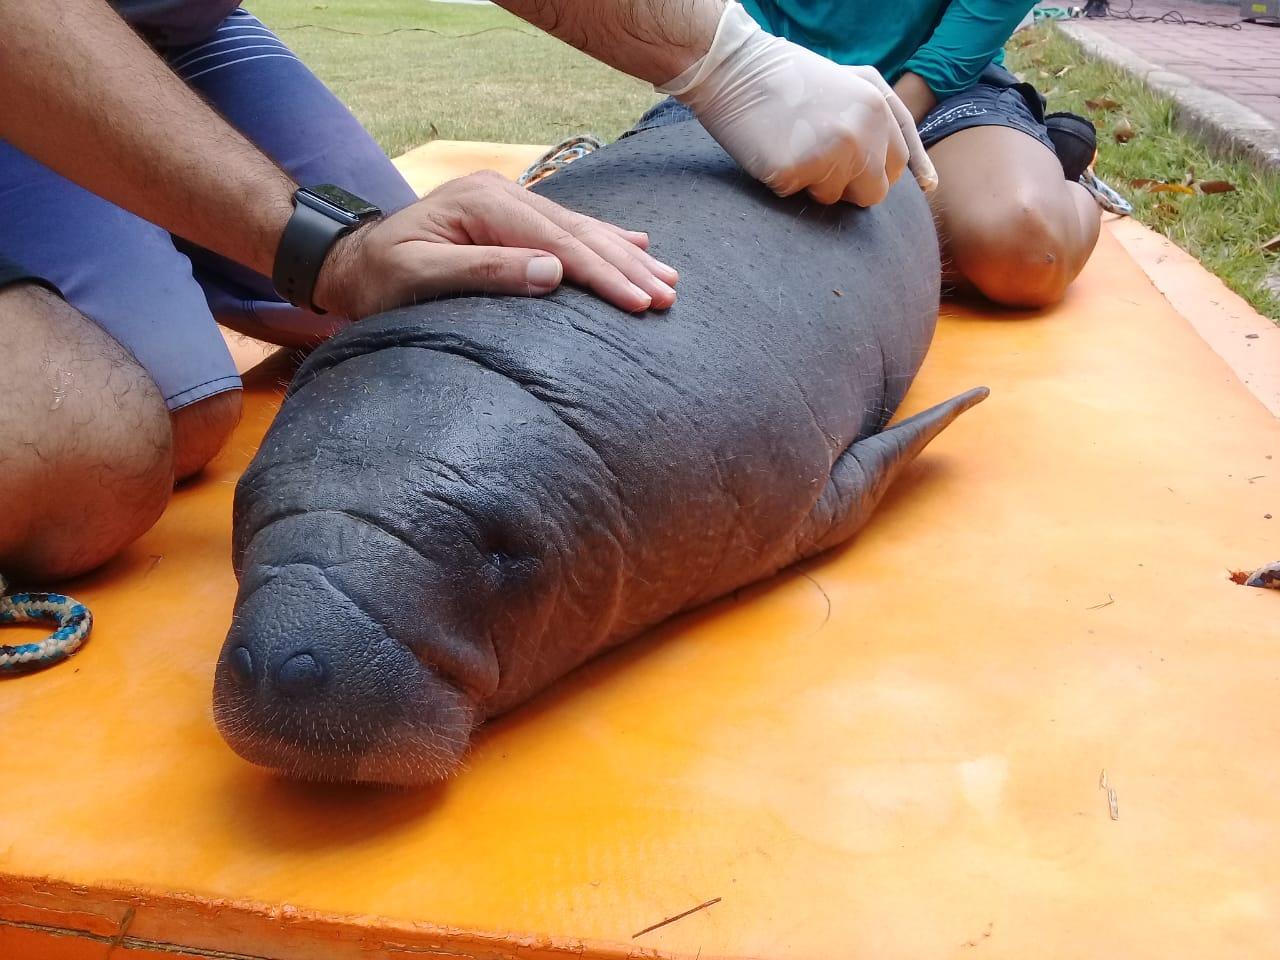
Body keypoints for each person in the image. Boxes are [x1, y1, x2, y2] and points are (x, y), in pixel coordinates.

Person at [0, 0, 935, 583]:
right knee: (138, 436)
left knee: (408, 300)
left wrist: (729, 61)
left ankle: (139, 226)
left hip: (173, 23)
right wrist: (324, 246)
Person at [732, 0, 1103, 309]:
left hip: (941, 87)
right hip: (748, 77)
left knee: (1027, 252)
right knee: (740, 254)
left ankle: (1056, 182)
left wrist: (894, 114)